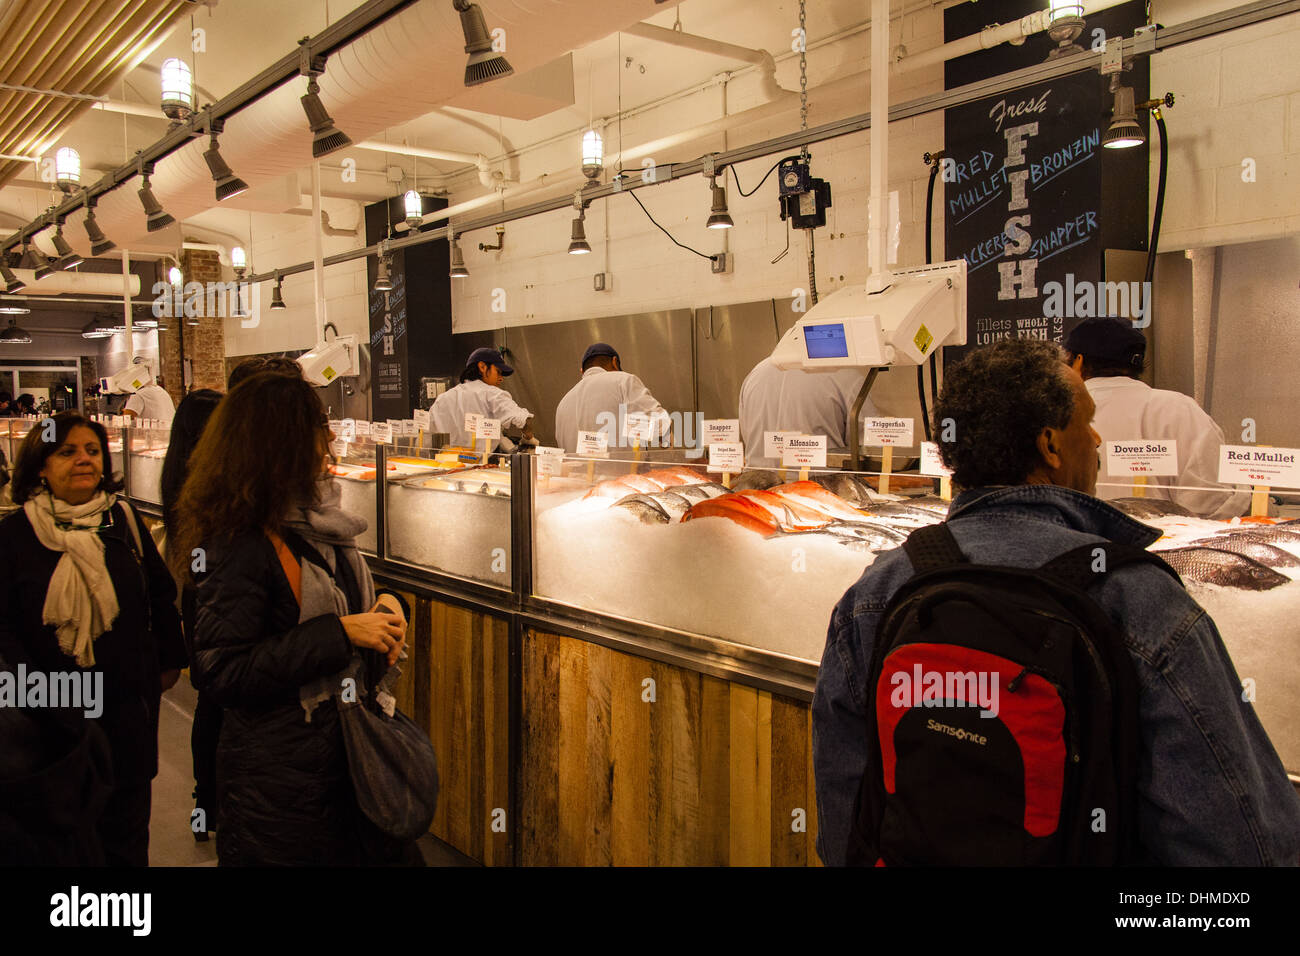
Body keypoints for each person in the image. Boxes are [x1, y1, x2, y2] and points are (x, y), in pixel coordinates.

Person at [812, 339, 1300, 866]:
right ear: (1050, 445)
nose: (1095, 438)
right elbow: (1242, 843)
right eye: (1087, 423)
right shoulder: (1141, 601)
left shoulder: (878, 590)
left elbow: (844, 806)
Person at [172, 372, 419, 866]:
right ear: (280, 440)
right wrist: (340, 633)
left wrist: (391, 604)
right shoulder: (237, 543)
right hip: (282, 788)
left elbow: (348, 606)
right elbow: (221, 672)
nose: (329, 438)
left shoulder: (323, 526)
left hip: (343, 760)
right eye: (317, 424)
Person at [0, 412, 186, 866]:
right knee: (64, 842)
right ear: (41, 465)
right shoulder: (13, 536)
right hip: (51, 726)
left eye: (92, 450)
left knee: (126, 838)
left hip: (126, 714)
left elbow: (159, 592)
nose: (83, 459)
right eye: (66, 451)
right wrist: (44, 705)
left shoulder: (122, 519)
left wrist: (164, 666)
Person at [1065, 318, 1248, 519]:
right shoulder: (1180, 408)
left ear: (1078, 361)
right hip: (1166, 547)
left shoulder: (1056, 410)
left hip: (1072, 543)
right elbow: (1211, 501)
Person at [159, 387, 223, 840]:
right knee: (220, 706)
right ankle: (213, 804)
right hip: (215, 599)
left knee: (210, 704)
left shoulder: (176, 471)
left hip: (196, 598)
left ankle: (205, 806)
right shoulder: (210, 479)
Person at [738, 357, 881, 467]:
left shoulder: (756, 373)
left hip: (755, 491)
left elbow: (747, 432)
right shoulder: (844, 374)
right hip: (820, 491)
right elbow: (868, 446)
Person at [555, 343, 669, 453]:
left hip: (574, 473)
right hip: (626, 472)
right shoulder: (624, 381)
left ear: (582, 371)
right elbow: (660, 424)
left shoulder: (562, 403)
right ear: (615, 362)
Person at [429, 347, 533, 451]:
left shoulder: (442, 399)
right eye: (498, 372)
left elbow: (427, 436)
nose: (501, 378)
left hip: (445, 463)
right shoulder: (493, 394)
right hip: (480, 465)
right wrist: (529, 439)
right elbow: (523, 420)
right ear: (482, 367)